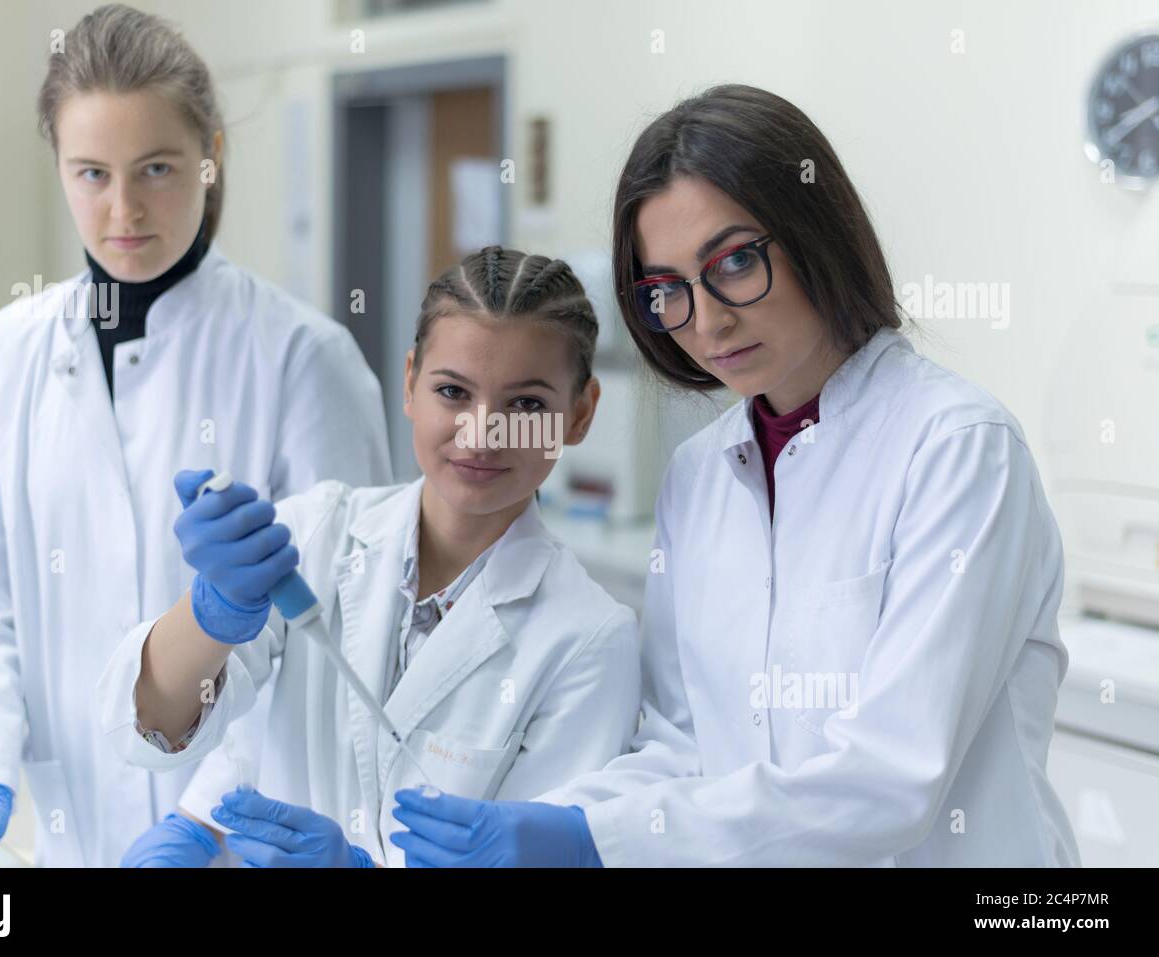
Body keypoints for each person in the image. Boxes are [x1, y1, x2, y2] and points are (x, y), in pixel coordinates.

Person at [387, 85, 1081, 868]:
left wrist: (592, 841)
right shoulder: (701, 474)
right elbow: (683, 745)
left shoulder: (957, 449)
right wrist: (539, 822)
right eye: (666, 289)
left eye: (735, 262)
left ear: (816, 233)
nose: (707, 320)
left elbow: (891, 778)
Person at [0, 3, 390, 868]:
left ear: (211, 157)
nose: (123, 209)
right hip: (71, 826)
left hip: (243, 835)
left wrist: (203, 818)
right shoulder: (3, 354)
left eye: (156, 167)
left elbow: (342, 627)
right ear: (58, 166)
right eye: (91, 172)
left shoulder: (304, 358)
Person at [100, 247, 641, 867]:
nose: (481, 432)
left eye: (525, 405)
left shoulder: (590, 639)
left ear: (579, 413)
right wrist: (211, 613)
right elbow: (153, 726)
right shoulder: (320, 531)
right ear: (410, 383)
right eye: (452, 391)